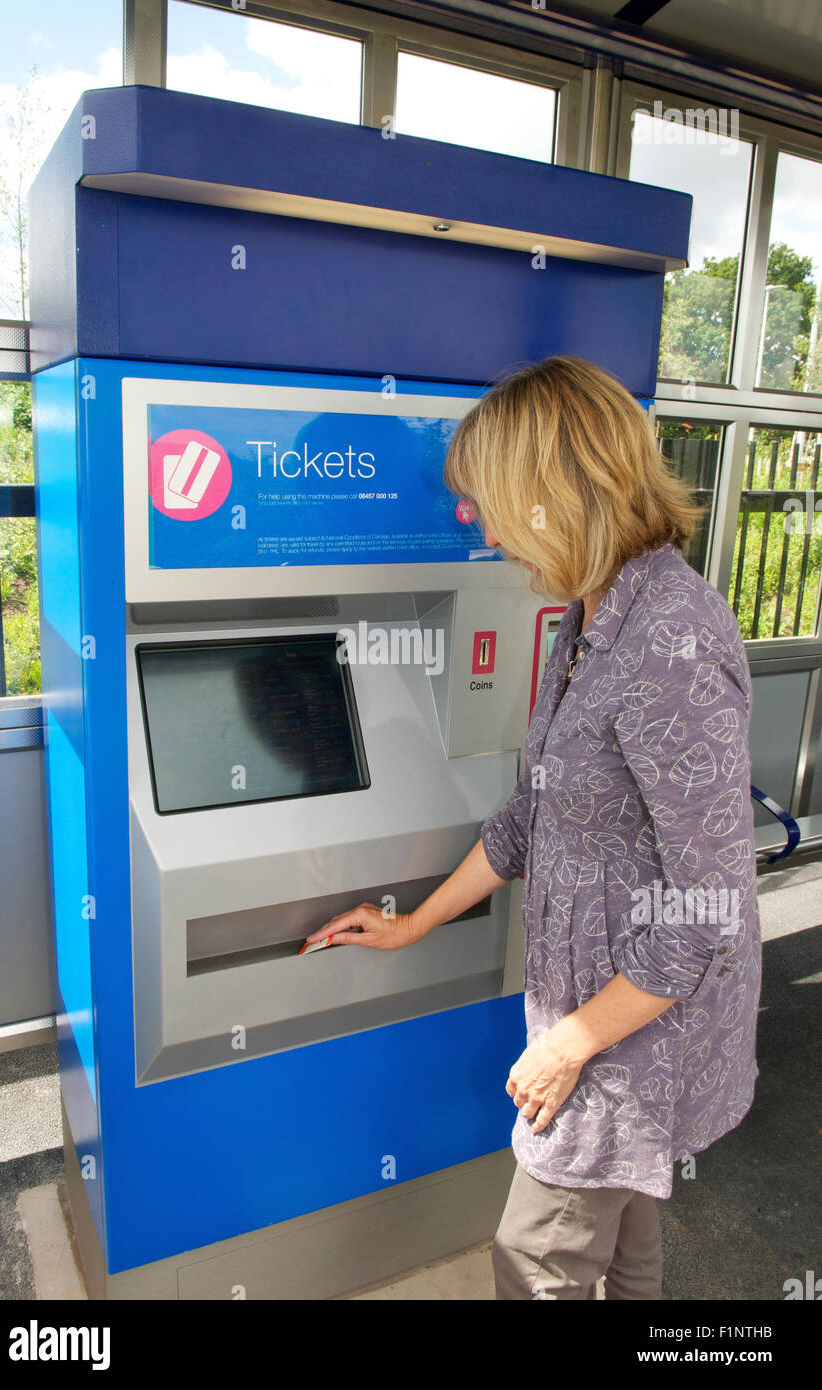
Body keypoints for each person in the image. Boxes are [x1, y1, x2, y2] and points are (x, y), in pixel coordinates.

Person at [305, 355, 761, 1300]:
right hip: (597, 1015)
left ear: (554, 491)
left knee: (534, 1261)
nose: (476, 521)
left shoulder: (670, 638)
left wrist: (571, 1043)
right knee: (628, 1246)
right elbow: (534, 813)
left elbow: (710, 903)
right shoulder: (585, 618)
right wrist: (415, 921)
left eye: (487, 499)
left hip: (627, 1034)